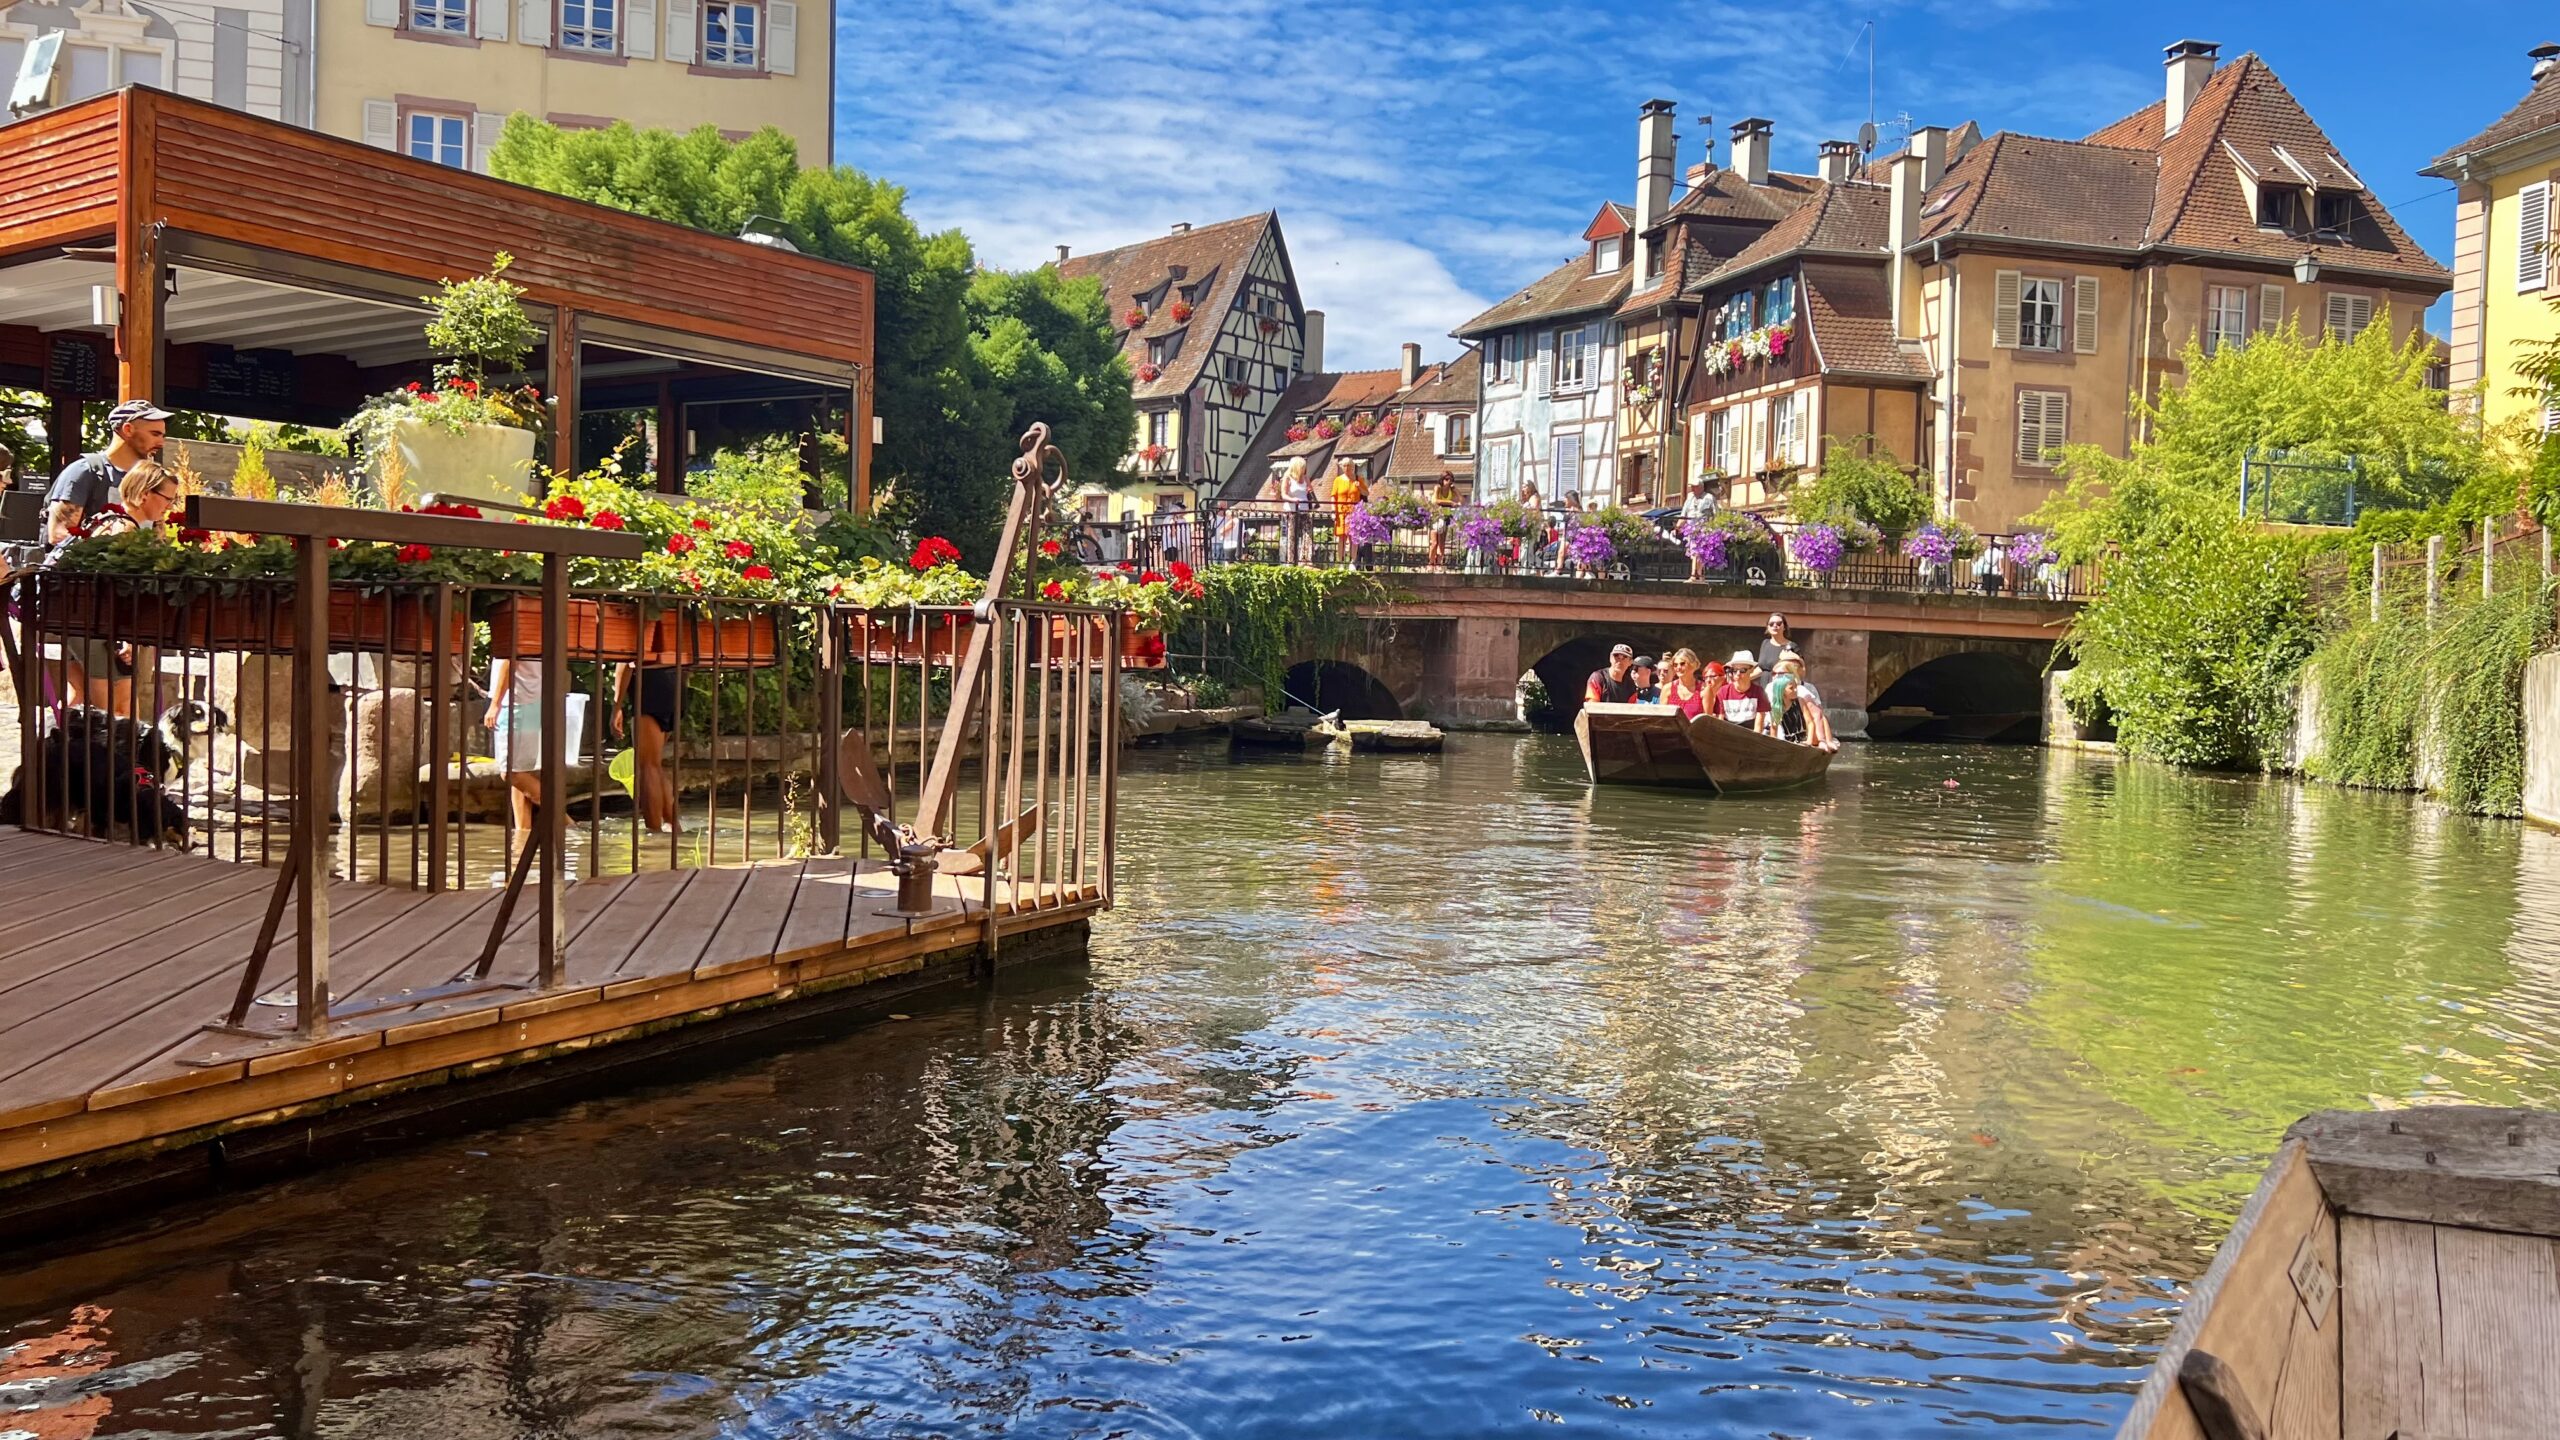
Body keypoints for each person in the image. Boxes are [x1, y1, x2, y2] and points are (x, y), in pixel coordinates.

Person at [52, 458, 183, 714]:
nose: (170, 506)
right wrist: (128, 637)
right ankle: (109, 744)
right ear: (145, 494)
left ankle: (52, 739)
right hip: (99, 626)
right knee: (118, 707)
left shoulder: (110, 520)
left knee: (78, 696)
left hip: (77, 620)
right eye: (168, 498)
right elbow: (118, 589)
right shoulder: (125, 530)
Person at [46, 399, 170, 545]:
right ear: (128, 429)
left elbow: (158, 539)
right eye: (155, 434)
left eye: (162, 436)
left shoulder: (150, 479)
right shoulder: (86, 470)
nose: (161, 443)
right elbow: (59, 536)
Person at [485, 654, 549, 872]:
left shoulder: (516, 632)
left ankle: (564, 821)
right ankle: (522, 836)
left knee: (511, 772)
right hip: (530, 699)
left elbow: (509, 659)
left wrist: (495, 704)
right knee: (520, 771)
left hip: (515, 703)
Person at [611, 661, 685, 835]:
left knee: (647, 766)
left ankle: (654, 832)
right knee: (654, 764)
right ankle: (673, 826)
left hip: (649, 687)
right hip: (676, 684)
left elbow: (625, 661)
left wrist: (617, 707)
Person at [1769, 650, 1840, 750]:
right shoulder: (1772, 691)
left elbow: (1817, 716)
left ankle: (1824, 740)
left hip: (1803, 732)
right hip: (1785, 736)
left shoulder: (1803, 692)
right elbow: (1773, 727)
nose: (1776, 676)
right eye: (1774, 674)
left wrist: (1816, 741)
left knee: (1818, 713)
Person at [1709, 650, 1771, 731]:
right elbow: (1719, 723)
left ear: (1752, 670)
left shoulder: (1759, 692)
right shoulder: (1723, 692)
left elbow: (1758, 727)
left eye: (1742, 670)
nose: (1738, 673)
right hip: (1727, 735)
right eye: (1734, 670)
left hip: (1751, 736)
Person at [1679, 477, 1718, 581]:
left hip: (1704, 528)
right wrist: (1677, 527)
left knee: (1700, 552)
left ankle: (1697, 575)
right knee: (1694, 552)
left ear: (1701, 487)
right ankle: (1696, 576)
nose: (1693, 489)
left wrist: (1714, 528)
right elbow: (1683, 515)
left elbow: (1716, 514)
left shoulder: (1709, 498)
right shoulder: (1689, 498)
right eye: (1692, 486)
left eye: (1695, 487)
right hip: (1691, 529)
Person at [1328, 460, 1366, 564]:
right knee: (1342, 537)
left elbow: (1366, 493)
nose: (1347, 468)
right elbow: (1333, 496)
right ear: (1342, 467)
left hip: (1354, 512)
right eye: (1345, 466)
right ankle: (1341, 562)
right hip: (1341, 512)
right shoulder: (1338, 480)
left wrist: (1359, 487)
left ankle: (1352, 562)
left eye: (1349, 466)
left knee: (1353, 537)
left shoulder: (1359, 479)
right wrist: (1333, 510)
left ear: (1353, 467)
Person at [1281, 456, 1315, 564]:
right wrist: (1292, 499)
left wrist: (1310, 491)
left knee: (1307, 534)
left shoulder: (1305, 478)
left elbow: (1309, 490)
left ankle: (1305, 559)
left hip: (1305, 509)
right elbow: (1283, 495)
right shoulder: (1288, 478)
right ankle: (1291, 560)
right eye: (1302, 467)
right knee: (1292, 535)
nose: (1304, 469)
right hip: (1292, 510)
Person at [1660, 649, 1710, 719]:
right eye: (1675, 665)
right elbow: (1662, 718)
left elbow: (1707, 721)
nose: (1678, 667)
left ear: (1693, 665)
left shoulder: (1704, 690)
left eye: (1682, 664)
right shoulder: (1667, 689)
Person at [1427, 471, 1460, 570]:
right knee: (1434, 543)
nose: (1448, 481)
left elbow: (1460, 500)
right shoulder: (1438, 488)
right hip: (1436, 516)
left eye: (1450, 479)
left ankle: (1439, 563)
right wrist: (1450, 502)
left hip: (1445, 517)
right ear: (1442, 480)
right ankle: (1431, 563)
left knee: (1442, 543)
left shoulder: (1451, 490)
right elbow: (1435, 500)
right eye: (1446, 479)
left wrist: (1456, 491)